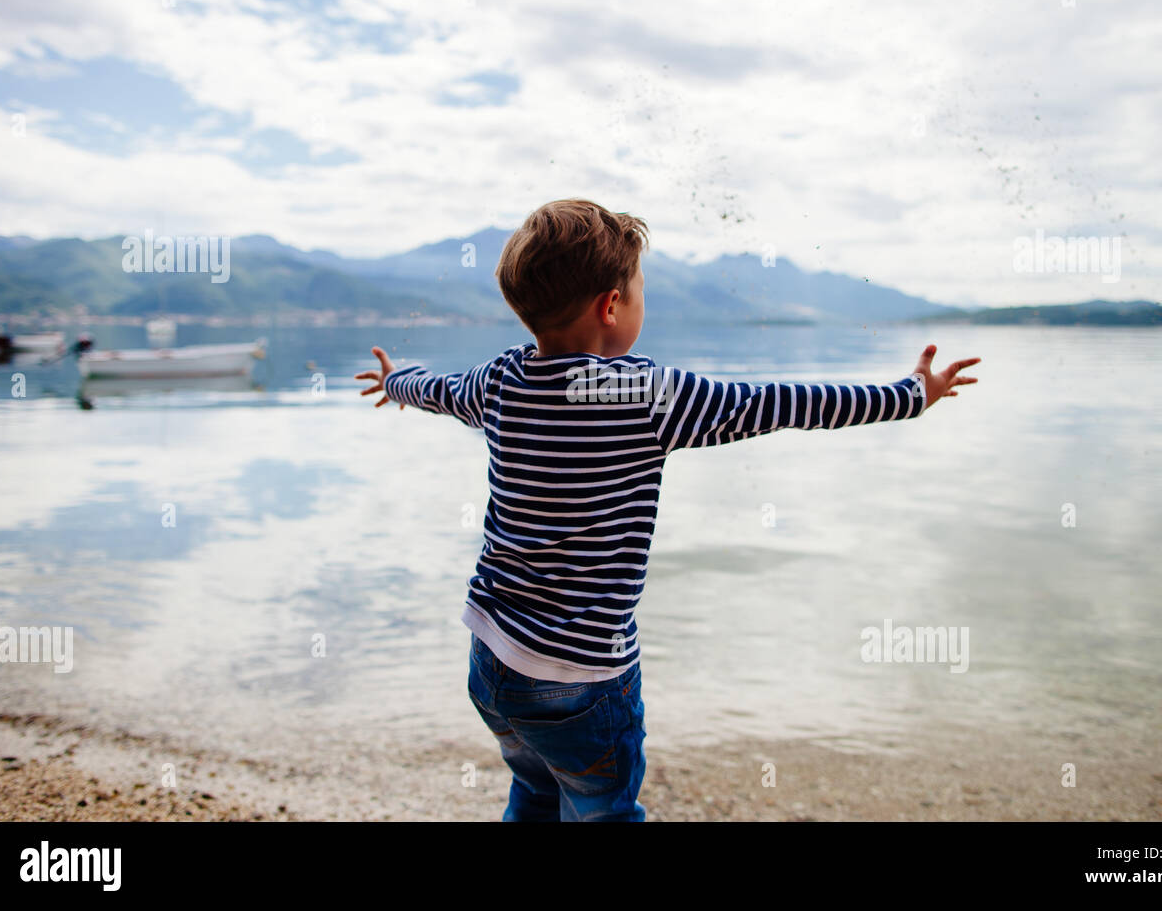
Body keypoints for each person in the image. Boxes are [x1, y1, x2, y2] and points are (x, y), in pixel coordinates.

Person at [356, 198, 981, 820]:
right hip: (580, 678)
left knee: (537, 792)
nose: (640, 300)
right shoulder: (645, 394)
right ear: (611, 305)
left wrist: (394, 380)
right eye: (639, 289)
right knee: (604, 811)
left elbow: (433, 389)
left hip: (492, 659)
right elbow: (781, 403)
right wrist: (907, 396)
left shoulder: (499, 382)